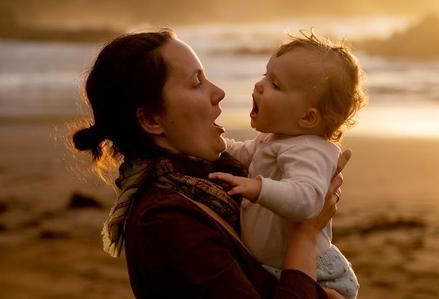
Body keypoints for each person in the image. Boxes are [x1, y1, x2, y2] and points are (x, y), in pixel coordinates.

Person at [72, 29, 351, 298]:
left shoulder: (209, 177)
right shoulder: (166, 224)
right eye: (196, 83)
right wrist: (304, 232)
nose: (219, 93)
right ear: (152, 120)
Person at [209, 32, 366, 299]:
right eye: (265, 75)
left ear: (307, 117)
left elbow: (308, 200)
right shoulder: (273, 140)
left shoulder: (310, 150)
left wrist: (259, 188)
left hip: (317, 271)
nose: (260, 86)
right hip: (278, 265)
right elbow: (240, 153)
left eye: (276, 85)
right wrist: (216, 142)